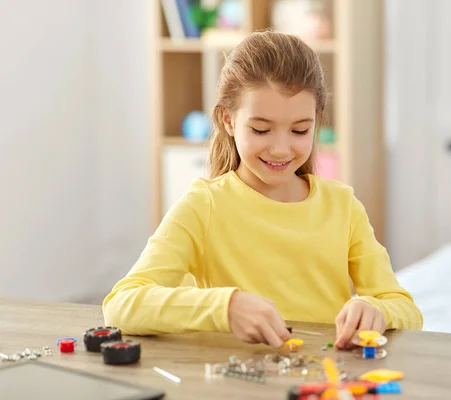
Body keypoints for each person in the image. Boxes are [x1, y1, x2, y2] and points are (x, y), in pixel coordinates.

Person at [102, 30, 423, 350]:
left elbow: (407, 310)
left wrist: (377, 311)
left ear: (317, 121)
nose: (281, 149)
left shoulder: (343, 206)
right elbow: (122, 304)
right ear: (228, 120)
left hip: (321, 381)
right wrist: (225, 307)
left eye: (300, 130)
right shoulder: (205, 205)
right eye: (261, 129)